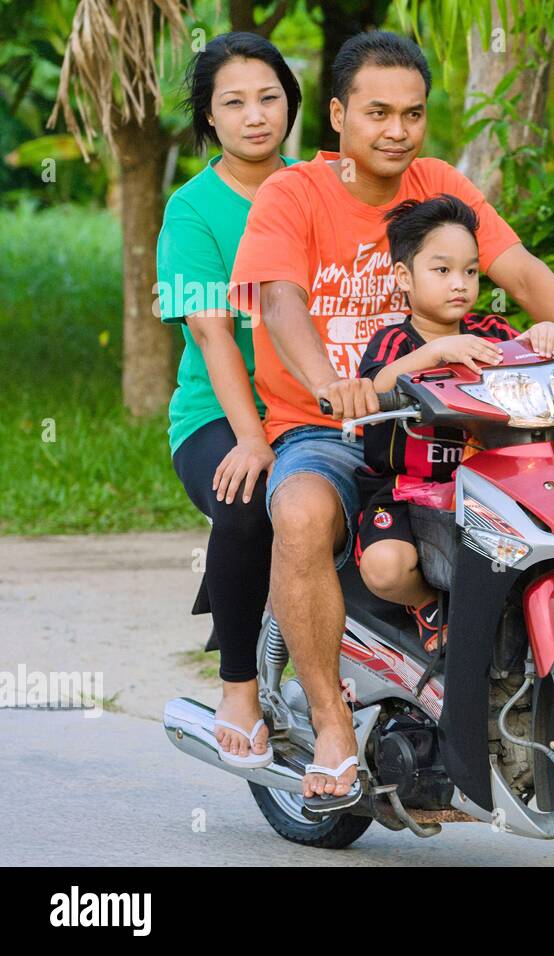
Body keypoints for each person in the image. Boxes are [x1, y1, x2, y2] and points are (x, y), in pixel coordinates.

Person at [227, 30, 554, 807]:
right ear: (338, 115)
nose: (397, 130)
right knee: (300, 514)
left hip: (461, 427)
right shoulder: (294, 194)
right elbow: (280, 298)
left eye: (413, 113)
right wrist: (332, 385)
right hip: (339, 427)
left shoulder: (437, 184)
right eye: (378, 112)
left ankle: (547, 683)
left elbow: (521, 272)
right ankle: (330, 727)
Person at [352, 195, 554, 649]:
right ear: (403, 277)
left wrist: (548, 336)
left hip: (504, 478)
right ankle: (430, 606)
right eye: (442, 270)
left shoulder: (491, 331)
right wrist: (434, 354)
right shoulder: (395, 340)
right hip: (412, 487)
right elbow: (372, 390)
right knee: (385, 567)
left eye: (470, 271)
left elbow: (530, 358)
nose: (459, 284)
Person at [157, 32, 302, 767]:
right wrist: (251, 439)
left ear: (292, 102)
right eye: (234, 103)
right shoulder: (193, 209)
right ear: (209, 120)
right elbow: (213, 335)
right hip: (218, 413)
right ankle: (239, 684)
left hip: (315, 402)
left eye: (269, 97)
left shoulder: (320, 187)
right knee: (249, 498)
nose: (255, 116)